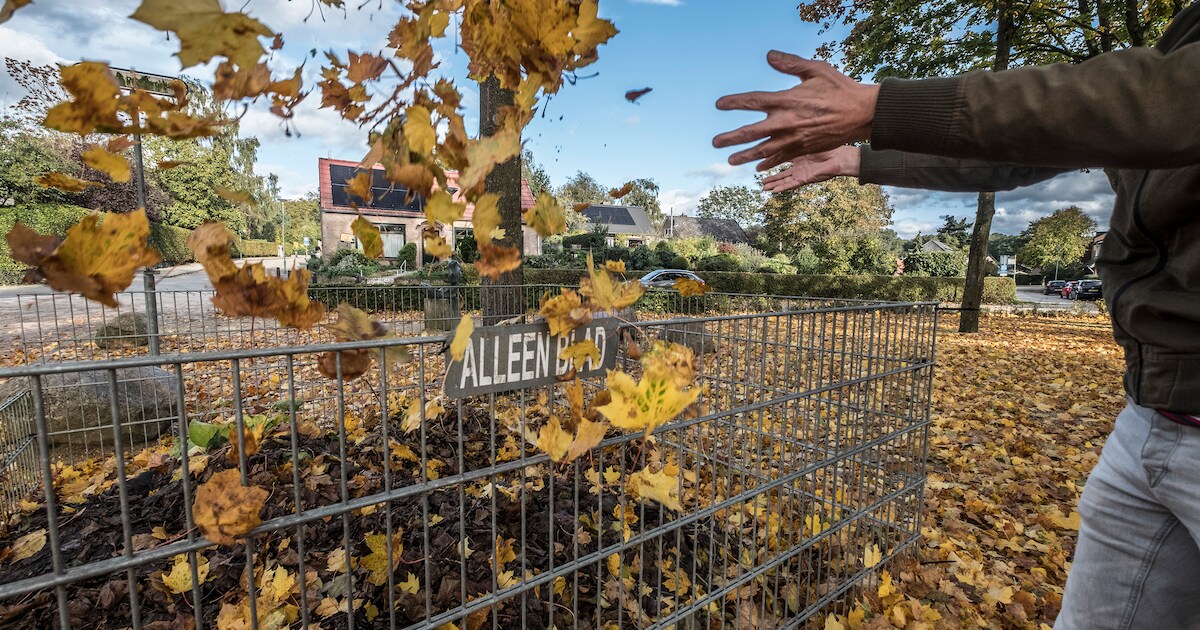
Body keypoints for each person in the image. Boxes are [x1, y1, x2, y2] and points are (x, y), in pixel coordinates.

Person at [713, 6, 1200, 629]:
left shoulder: (1169, 79)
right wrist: (862, 160)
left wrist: (878, 105)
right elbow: (1030, 148)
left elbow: (1156, 99)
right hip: (1154, 410)